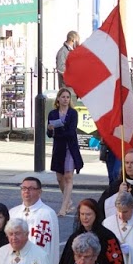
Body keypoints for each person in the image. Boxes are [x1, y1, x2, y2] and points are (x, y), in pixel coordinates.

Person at [10, 175, 61, 264]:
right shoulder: (13, 213)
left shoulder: (48, 214)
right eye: (23, 188)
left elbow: (54, 247)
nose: (26, 191)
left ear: (39, 192)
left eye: (31, 188)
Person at [47, 87, 84, 217]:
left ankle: (63, 208)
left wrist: (57, 133)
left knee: (68, 177)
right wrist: (50, 129)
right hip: (59, 148)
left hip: (70, 147)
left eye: (67, 97)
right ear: (58, 99)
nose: (65, 99)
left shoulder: (73, 113)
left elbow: (71, 131)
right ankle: (68, 202)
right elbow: (49, 134)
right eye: (63, 97)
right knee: (59, 178)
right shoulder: (52, 114)